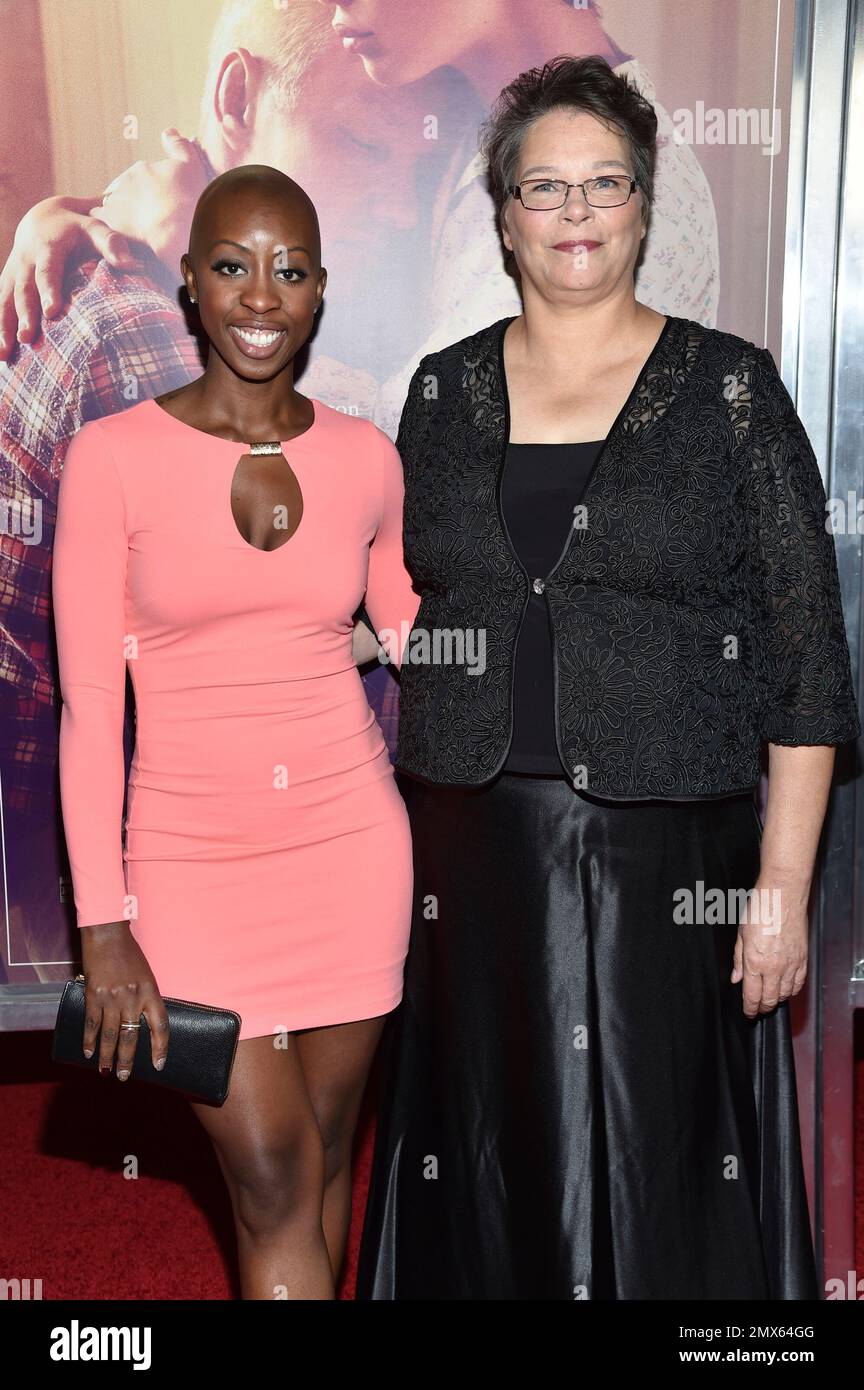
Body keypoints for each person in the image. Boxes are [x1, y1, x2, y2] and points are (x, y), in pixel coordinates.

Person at [356, 56, 860, 1300]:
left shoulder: (730, 391)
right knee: (485, 1159)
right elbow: (409, 592)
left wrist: (784, 889)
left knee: (660, 1168)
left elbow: (805, 656)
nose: (576, 212)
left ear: (643, 206)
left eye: (605, 183)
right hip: (471, 858)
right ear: (505, 213)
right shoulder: (444, 390)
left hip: (669, 866)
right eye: (546, 187)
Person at [51, 164, 420, 1300]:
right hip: (190, 869)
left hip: (349, 852)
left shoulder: (367, 456)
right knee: (269, 1168)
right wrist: (104, 928)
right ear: (192, 292)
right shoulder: (112, 456)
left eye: (289, 269)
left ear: (318, 292)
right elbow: (86, 707)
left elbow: (412, 625)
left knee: (318, 1155)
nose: (261, 295)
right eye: (232, 266)